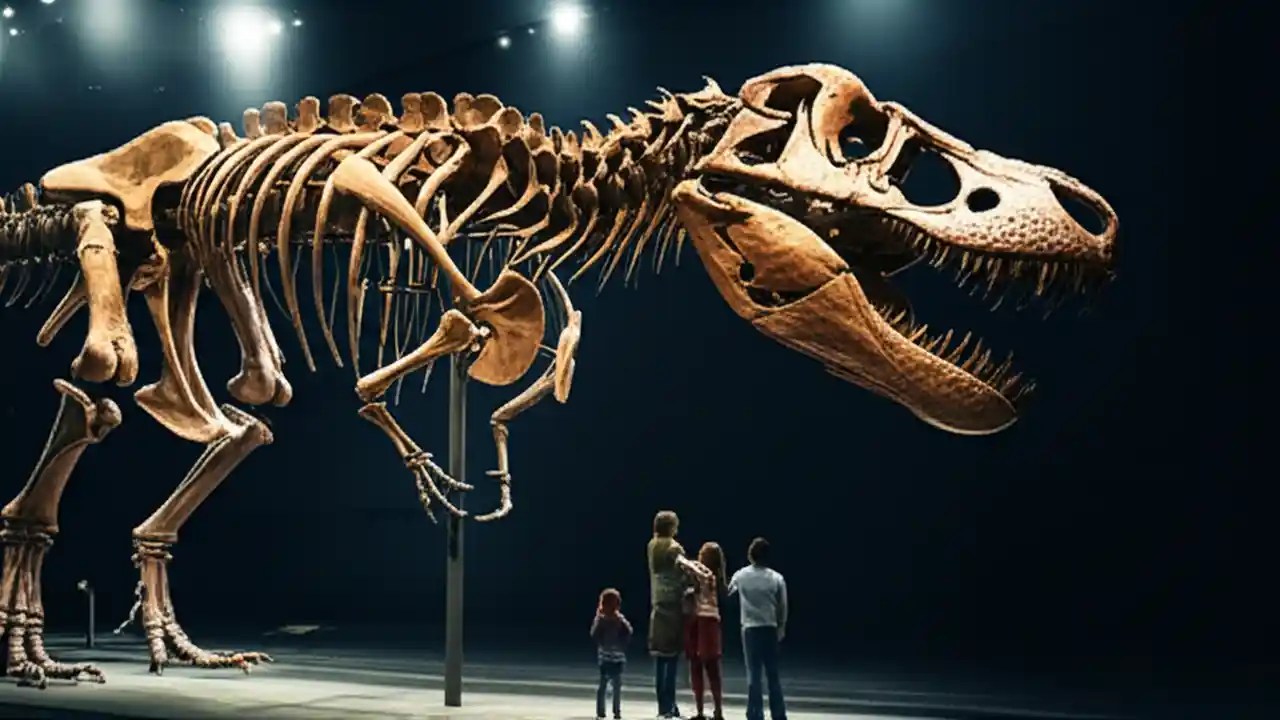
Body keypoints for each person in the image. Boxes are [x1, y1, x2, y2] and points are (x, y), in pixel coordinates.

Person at [728, 537, 788, 720]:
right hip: (770, 627)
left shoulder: (741, 575)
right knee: (773, 674)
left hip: (750, 628)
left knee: (753, 674)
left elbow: (729, 592)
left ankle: (755, 713)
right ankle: (778, 714)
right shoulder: (776, 578)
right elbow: (782, 605)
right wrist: (781, 626)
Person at [677, 542, 728, 720]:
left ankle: (717, 710)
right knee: (697, 666)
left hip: (707, 623)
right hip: (697, 621)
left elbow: (700, 573)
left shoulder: (710, 577)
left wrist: (683, 560)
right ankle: (701, 710)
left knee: (710, 667)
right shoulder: (703, 579)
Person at [647, 510, 687, 718]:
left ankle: (663, 705)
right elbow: (683, 567)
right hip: (673, 603)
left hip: (657, 602)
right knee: (671, 658)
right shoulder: (674, 547)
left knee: (660, 658)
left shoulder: (652, 546)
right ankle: (670, 705)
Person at [591, 588, 633, 720]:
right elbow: (629, 632)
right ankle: (616, 711)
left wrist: (602, 644)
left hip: (604, 657)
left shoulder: (600, 620)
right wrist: (621, 646)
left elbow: (594, 634)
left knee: (602, 686)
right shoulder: (620, 619)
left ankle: (600, 712)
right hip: (618, 658)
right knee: (617, 686)